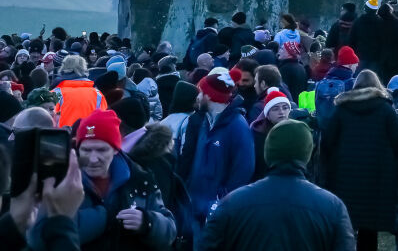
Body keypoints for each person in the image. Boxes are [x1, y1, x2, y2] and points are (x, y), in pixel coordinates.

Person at [197, 119, 356, 251]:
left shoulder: (232, 203)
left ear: (268, 153)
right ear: (307, 154)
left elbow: (208, 245)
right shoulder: (332, 207)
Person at [69, 109, 179, 251]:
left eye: (101, 150)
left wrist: (148, 222)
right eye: (86, 150)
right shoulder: (64, 180)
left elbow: (170, 230)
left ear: (115, 150)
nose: (93, 159)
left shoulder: (140, 178)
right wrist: (106, 215)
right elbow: (51, 232)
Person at [319, 68, 398, 249]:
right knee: (369, 229)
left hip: (345, 174)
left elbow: (328, 141)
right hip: (376, 176)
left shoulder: (341, 110)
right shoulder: (385, 109)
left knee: (346, 225)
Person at [179, 69, 254, 232]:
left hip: (215, 215)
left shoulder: (237, 127)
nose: (197, 97)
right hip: (194, 210)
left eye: (200, 92)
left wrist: (219, 203)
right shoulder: (206, 121)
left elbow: (243, 171)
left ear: (210, 95)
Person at [52, 56, 107, 131]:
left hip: (63, 139)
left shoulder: (56, 92)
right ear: (84, 69)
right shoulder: (98, 94)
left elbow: (50, 120)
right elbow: (103, 121)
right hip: (89, 137)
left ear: (64, 68)